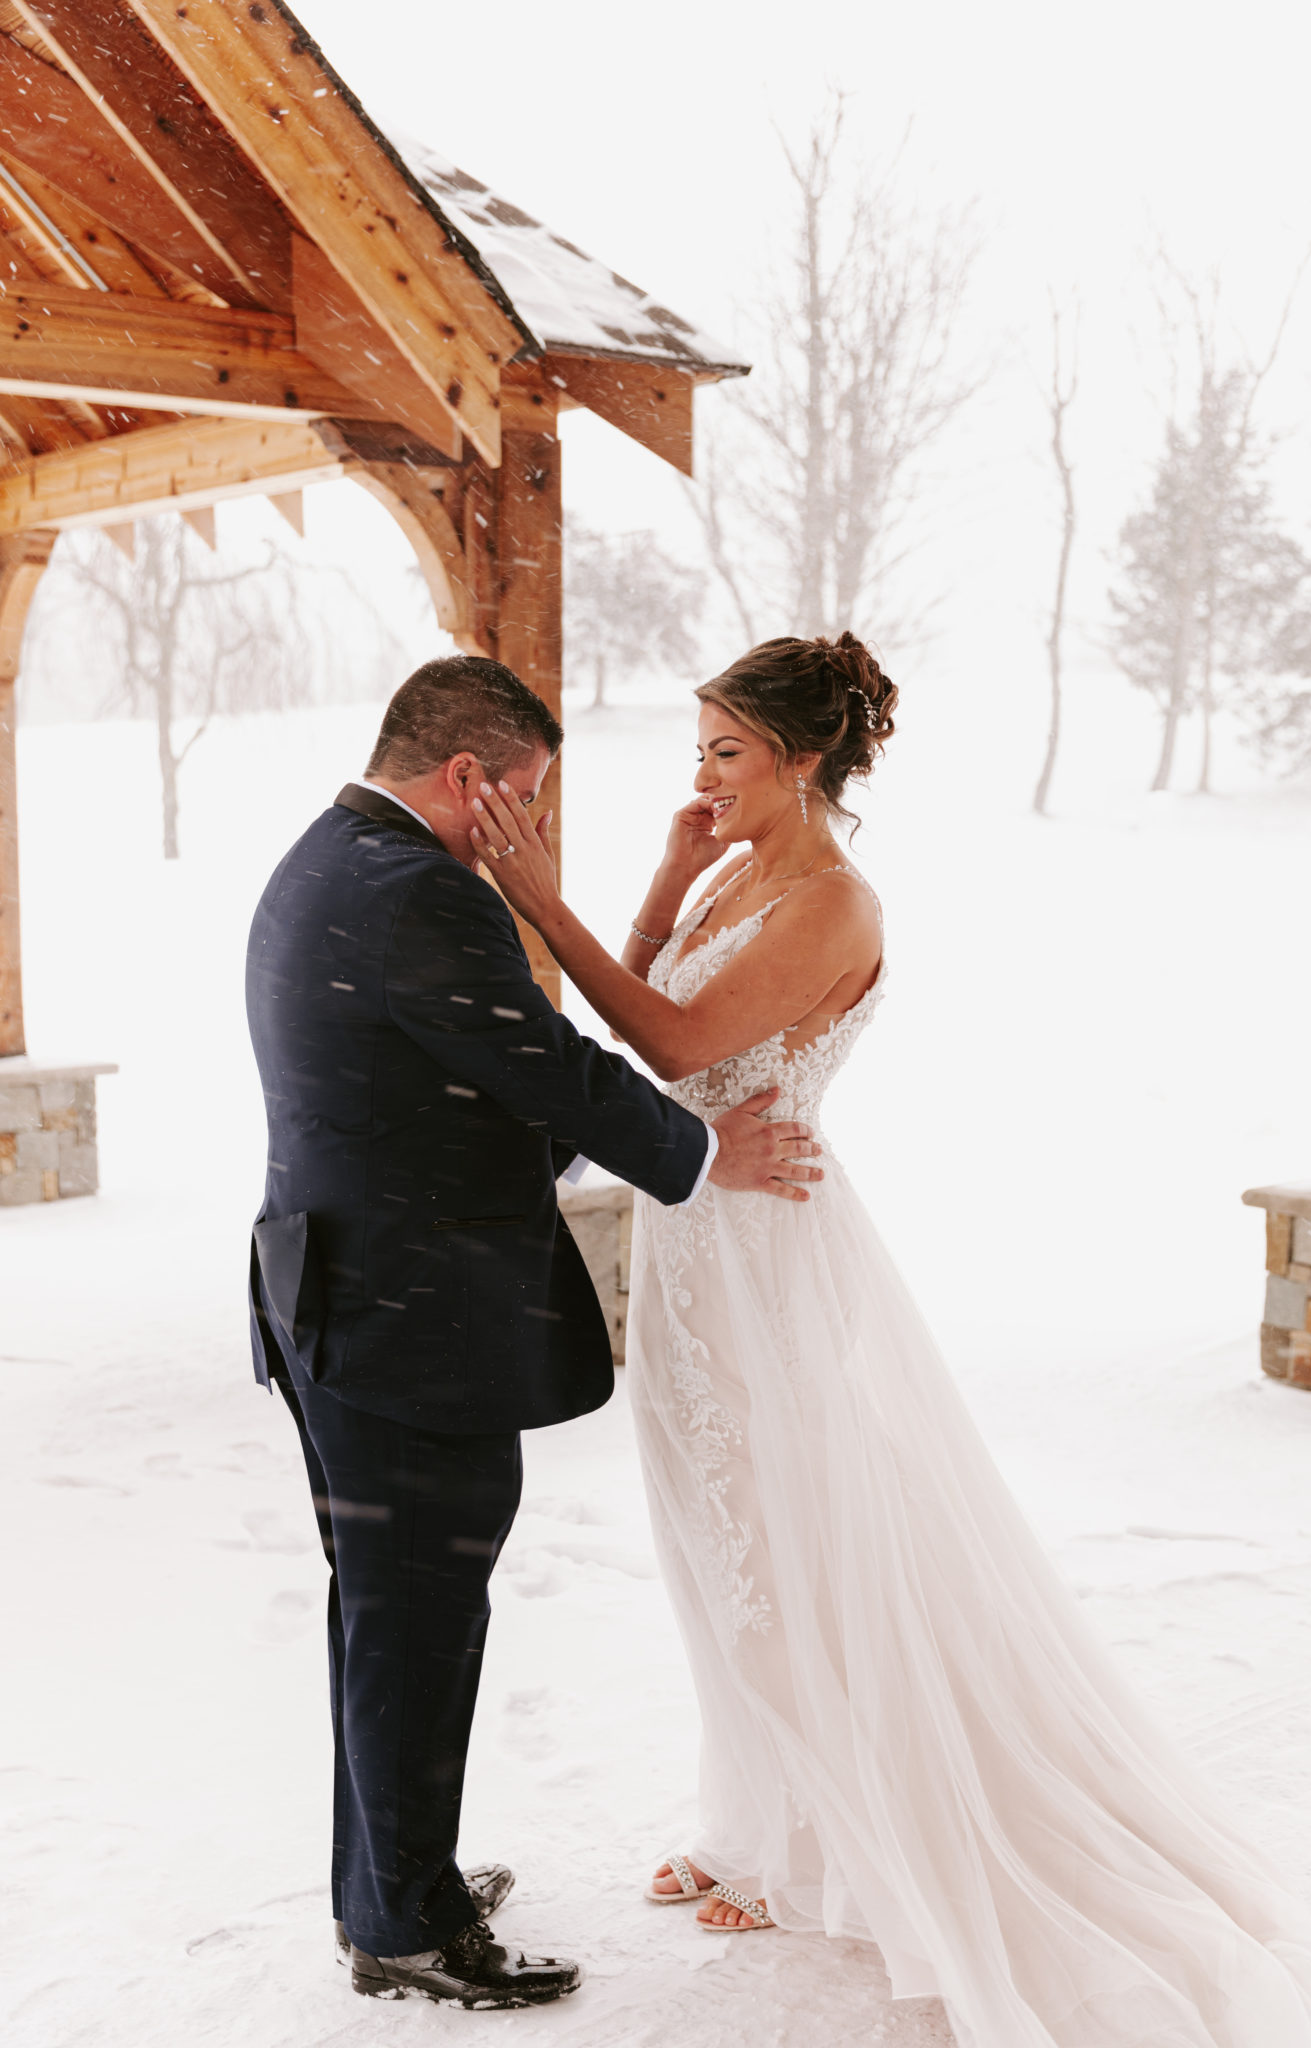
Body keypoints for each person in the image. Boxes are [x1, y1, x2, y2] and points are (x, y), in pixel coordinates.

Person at [469, 630, 1311, 2048]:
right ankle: (763, 1820)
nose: (702, 776)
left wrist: (533, 891)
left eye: (727, 752)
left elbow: (683, 1049)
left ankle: (832, 1839)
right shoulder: (742, 869)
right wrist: (659, 882)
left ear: (802, 759)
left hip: (773, 1257)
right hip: (697, 1241)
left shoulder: (831, 900)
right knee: (714, 1542)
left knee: (790, 1543)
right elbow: (634, 1029)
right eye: (699, 748)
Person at [244, 655, 822, 2012]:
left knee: (383, 1614)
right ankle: (405, 1923)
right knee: (411, 1622)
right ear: (468, 780)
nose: (526, 829)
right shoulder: (413, 887)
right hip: (402, 1325)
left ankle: (396, 1884)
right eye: (523, 800)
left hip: (340, 1295)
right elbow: (542, 1063)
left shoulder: (330, 855)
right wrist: (698, 1153)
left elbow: (487, 1054)